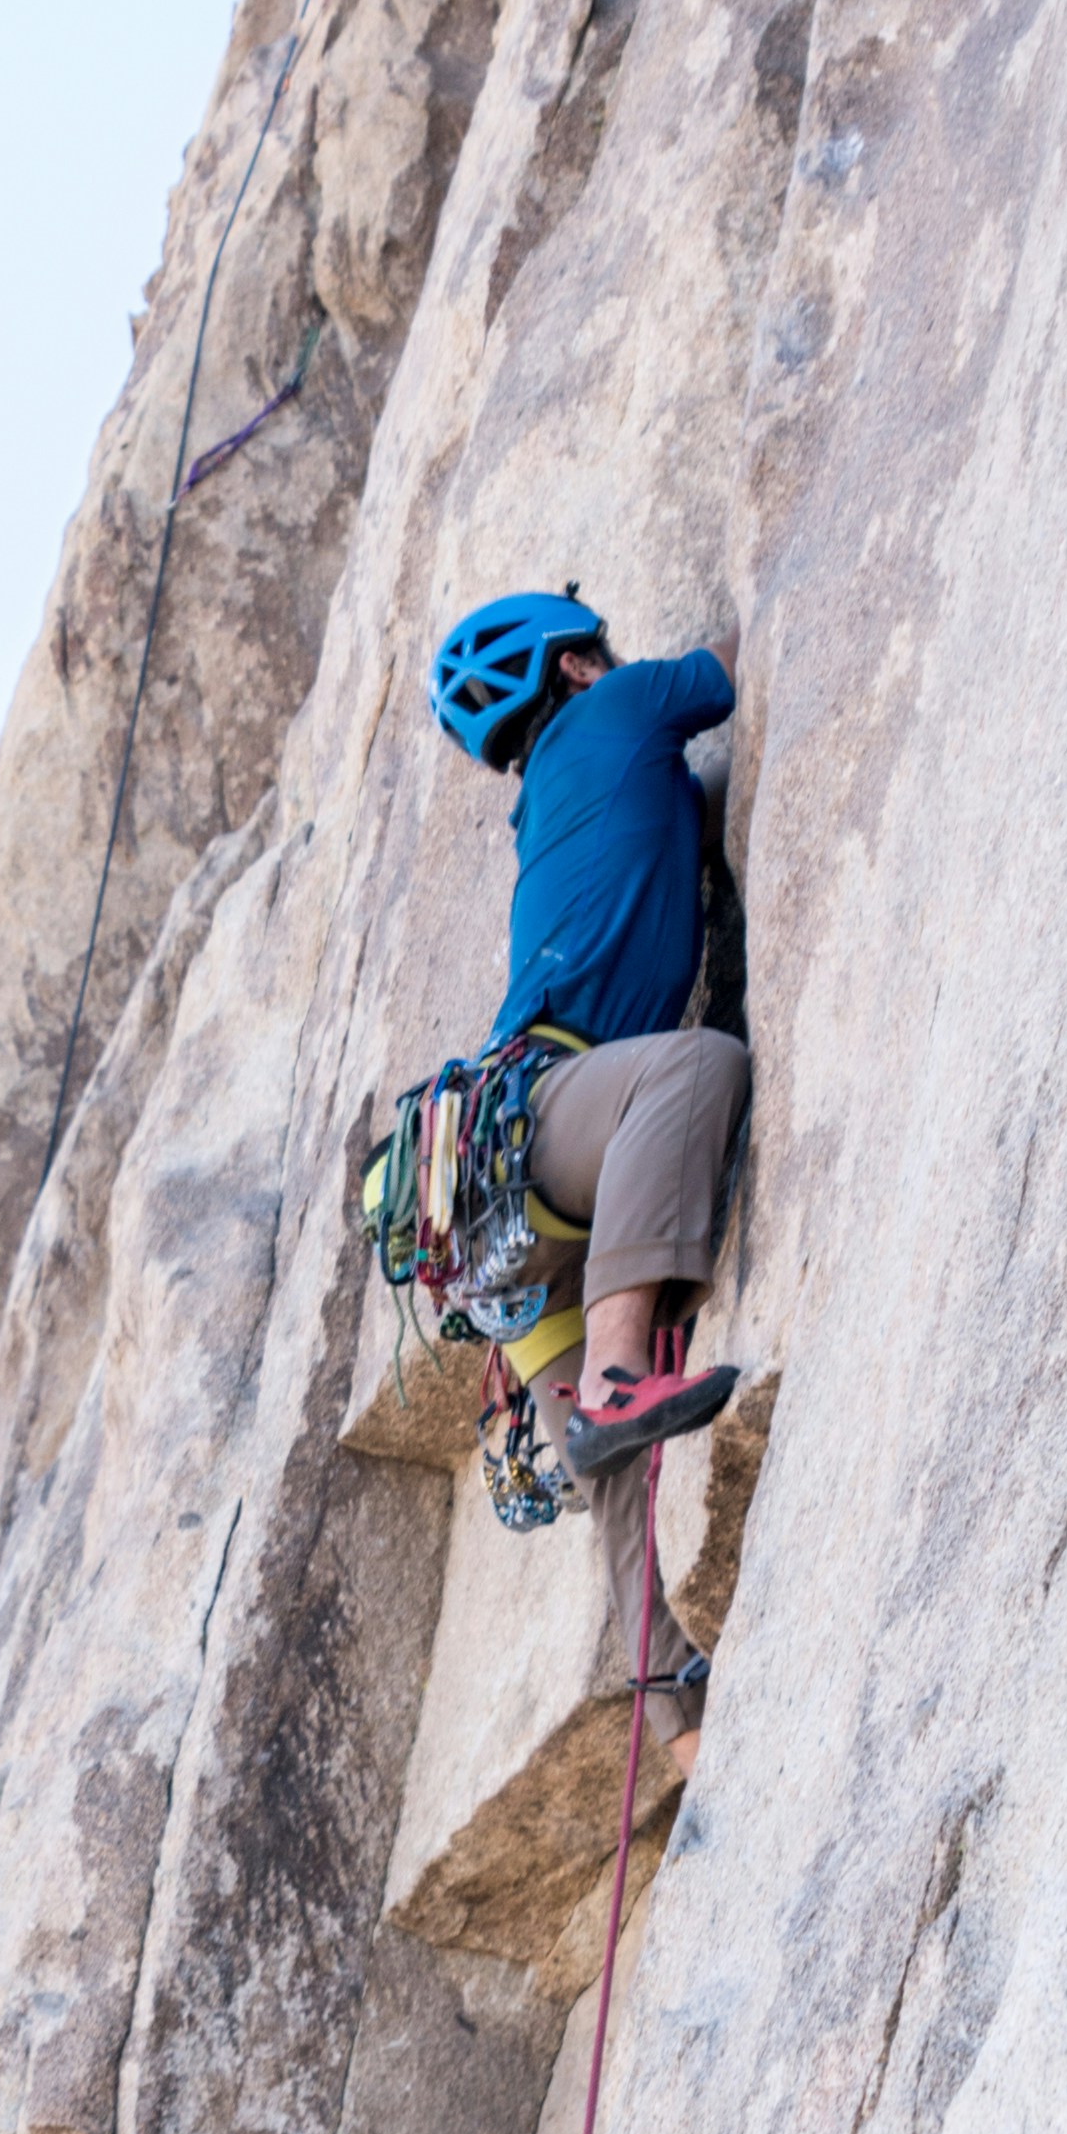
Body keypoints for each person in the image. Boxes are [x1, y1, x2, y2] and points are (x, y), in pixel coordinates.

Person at [425, 585, 744, 1483]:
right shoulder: (617, 707)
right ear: (576, 665)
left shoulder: (553, 804)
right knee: (693, 1069)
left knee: (611, 1468)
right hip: (547, 1119)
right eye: (603, 650)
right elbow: (728, 663)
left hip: (493, 1216)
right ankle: (616, 1374)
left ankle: (670, 1628)